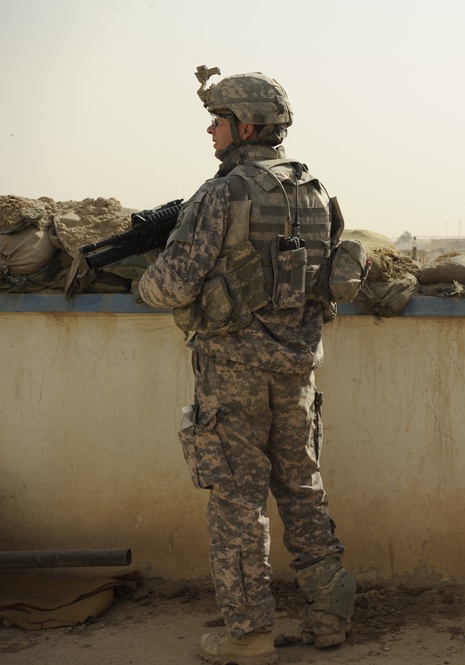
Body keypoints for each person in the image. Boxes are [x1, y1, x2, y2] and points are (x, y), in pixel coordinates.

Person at [138, 66, 355, 665]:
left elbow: (173, 284)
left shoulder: (223, 192)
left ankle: (249, 634)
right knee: (303, 487)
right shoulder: (315, 191)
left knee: (237, 503)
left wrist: (143, 280)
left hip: (233, 371)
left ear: (247, 125)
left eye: (218, 120)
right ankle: (329, 619)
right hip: (296, 369)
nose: (210, 131)